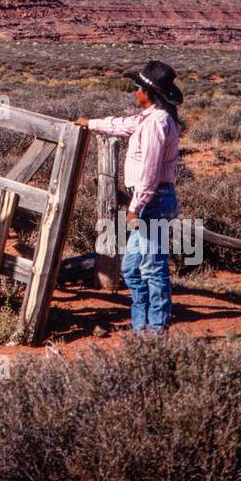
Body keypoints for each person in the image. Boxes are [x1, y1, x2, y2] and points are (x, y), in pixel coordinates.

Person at [75, 60, 182, 333]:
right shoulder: (147, 119)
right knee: (134, 269)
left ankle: (156, 333)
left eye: (137, 87)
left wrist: (136, 207)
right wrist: (90, 123)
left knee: (153, 268)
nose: (134, 91)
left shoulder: (158, 124)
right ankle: (140, 327)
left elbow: (150, 170)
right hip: (149, 201)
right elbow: (121, 125)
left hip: (152, 201)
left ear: (149, 92)